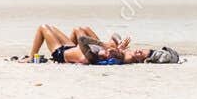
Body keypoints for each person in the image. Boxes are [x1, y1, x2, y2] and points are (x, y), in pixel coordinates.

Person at [27, 25, 163, 65]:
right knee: (79, 29)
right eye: (141, 50)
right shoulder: (107, 53)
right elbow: (116, 36)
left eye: (140, 53)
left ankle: (31, 58)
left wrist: (102, 44)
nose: (110, 52)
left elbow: (82, 40)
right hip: (73, 49)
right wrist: (117, 46)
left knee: (43, 28)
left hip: (60, 53)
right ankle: (71, 58)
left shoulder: (91, 56)